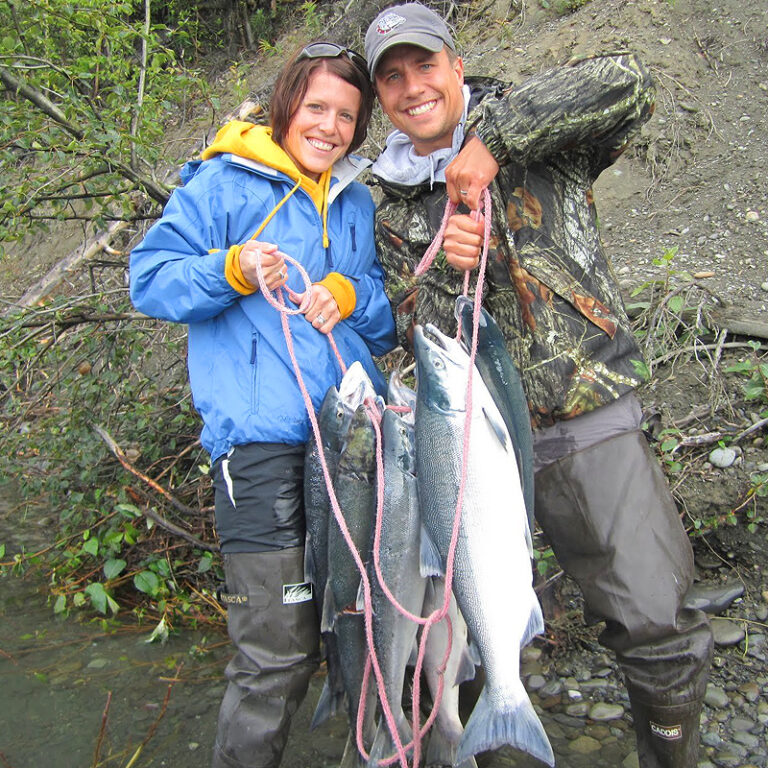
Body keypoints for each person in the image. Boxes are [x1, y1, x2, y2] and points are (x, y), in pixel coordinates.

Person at [364, 4, 713, 767]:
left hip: (579, 418)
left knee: (652, 617)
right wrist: (442, 273)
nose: (412, 87)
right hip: (468, 451)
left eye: (425, 65)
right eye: (391, 77)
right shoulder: (384, 203)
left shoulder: (537, 131)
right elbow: (411, 333)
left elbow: (628, 79)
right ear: (379, 97)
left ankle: (670, 754)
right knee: (470, 637)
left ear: (457, 66)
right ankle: (492, 734)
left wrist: (492, 144)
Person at [130, 42, 396, 768]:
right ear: (286, 107)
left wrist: (347, 293)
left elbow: (384, 315)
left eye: (346, 115)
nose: (330, 127)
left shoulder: (355, 198)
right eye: (316, 108)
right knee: (276, 654)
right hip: (259, 448)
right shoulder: (221, 184)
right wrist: (234, 267)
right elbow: (148, 280)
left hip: (354, 442)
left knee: (368, 633)